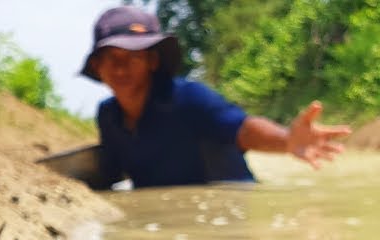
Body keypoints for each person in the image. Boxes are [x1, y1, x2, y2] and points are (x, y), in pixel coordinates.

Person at [81, 6, 351, 189]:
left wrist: (287, 140)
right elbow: (111, 174)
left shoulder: (189, 99)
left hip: (227, 211)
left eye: (133, 57)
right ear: (96, 66)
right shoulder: (108, 116)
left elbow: (244, 130)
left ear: (152, 61)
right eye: (111, 58)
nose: (120, 69)